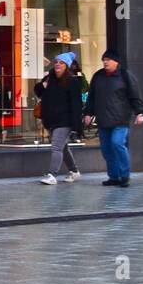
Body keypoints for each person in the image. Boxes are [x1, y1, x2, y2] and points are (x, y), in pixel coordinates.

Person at [83, 49, 143, 187]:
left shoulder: (125, 76)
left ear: (116, 62)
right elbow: (92, 96)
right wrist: (88, 113)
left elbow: (135, 95)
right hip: (103, 119)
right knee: (106, 149)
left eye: (108, 60)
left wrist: (139, 113)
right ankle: (114, 177)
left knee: (117, 143)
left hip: (120, 119)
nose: (105, 62)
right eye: (103, 60)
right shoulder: (98, 76)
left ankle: (124, 175)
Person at [34, 52, 83, 185]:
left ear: (66, 66)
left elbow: (76, 104)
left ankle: (52, 174)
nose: (57, 65)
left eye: (61, 63)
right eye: (56, 62)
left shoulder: (72, 82)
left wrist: (76, 126)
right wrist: (43, 85)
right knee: (63, 147)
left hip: (65, 120)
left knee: (56, 146)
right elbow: (37, 91)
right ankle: (74, 171)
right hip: (51, 120)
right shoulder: (49, 79)